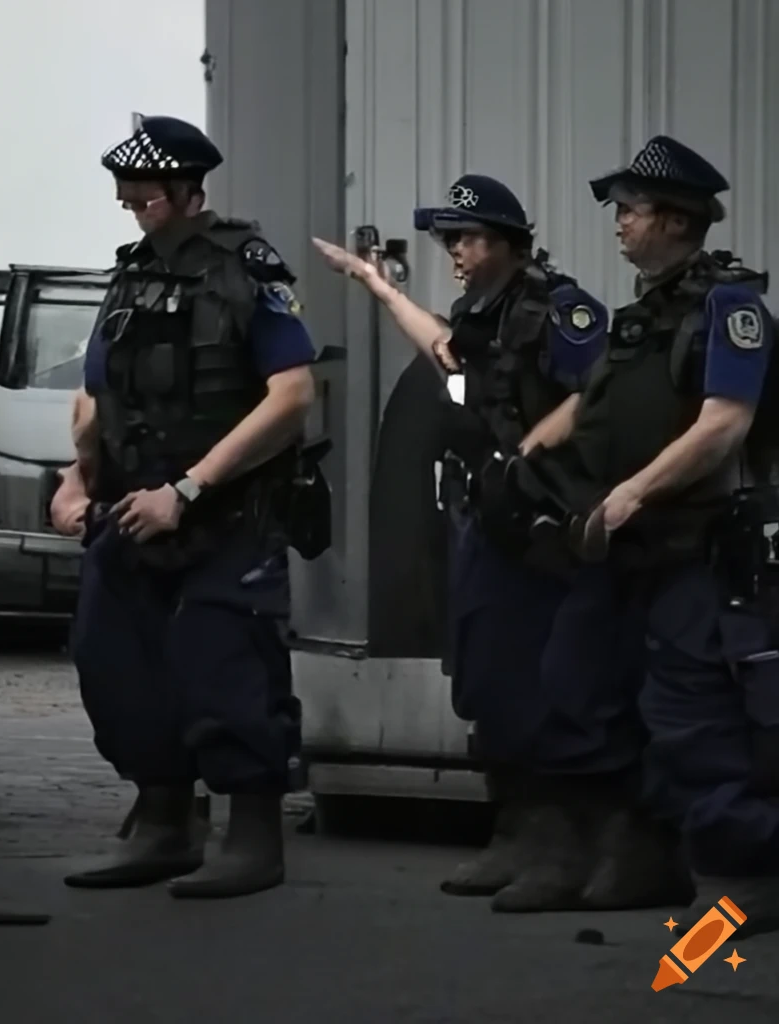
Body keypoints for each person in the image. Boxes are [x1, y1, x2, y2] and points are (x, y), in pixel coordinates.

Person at [314, 177, 662, 913]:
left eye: (468, 240)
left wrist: (532, 450)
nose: (457, 255)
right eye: (449, 242)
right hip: (492, 525)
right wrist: (376, 285)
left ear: (508, 242)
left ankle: (570, 846)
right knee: (488, 679)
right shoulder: (483, 313)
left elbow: (598, 387)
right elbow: (449, 354)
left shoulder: (557, 308)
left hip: (549, 531)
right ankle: (518, 830)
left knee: (555, 686)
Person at [50, 115, 320, 900]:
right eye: (128, 197)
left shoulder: (247, 267)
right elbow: (101, 394)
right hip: (132, 510)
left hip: (224, 513)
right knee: (117, 666)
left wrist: (189, 490)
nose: (136, 207)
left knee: (227, 665)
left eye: (149, 195)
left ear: (190, 189)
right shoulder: (130, 272)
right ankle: (165, 824)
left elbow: (293, 396)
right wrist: (78, 479)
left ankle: (253, 839)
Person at [515, 135, 778, 933]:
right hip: (630, 546)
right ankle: (637, 850)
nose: (619, 225)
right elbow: (594, 398)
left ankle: (747, 876)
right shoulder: (643, 314)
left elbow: (725, 424)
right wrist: (531, 454)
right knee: (584, 686)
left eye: (630, 211)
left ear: (675, 219)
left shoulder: (729, 310)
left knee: (697, 712)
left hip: (703, 546)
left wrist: (630, 493)